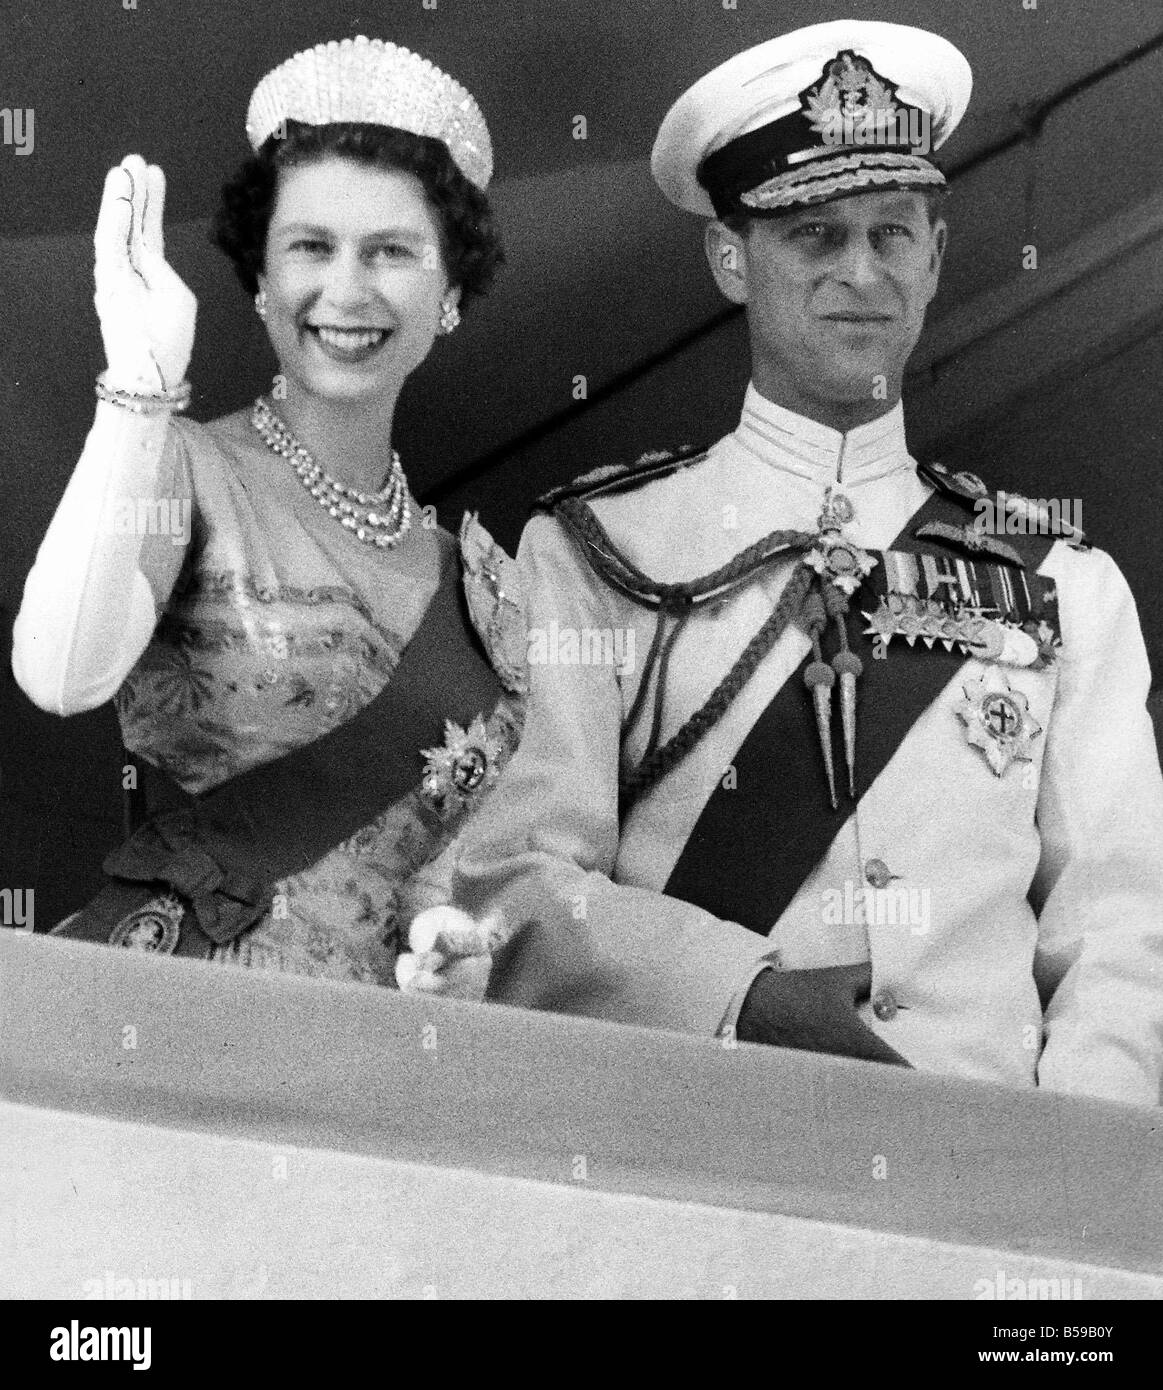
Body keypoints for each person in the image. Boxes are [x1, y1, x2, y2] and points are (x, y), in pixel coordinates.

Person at [416, 20, 1163, 1106]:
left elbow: (1120, 924)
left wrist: (1068, 1156)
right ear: (731, 259)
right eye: (814, 235)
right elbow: (515, 884)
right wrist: (742, 997)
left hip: (982, 1160)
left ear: (933, 256)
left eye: (890, 233)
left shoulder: (1062, 583)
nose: (860, 272)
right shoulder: (599, 552)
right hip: (698, 1137)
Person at [12, 36, 526, 985]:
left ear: (451, 288)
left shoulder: (488, 589)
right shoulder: (182, 465)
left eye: (392, 252)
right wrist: (136, 392)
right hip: (174, 999)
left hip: (370, 1046)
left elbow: (438, 873)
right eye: (310, 247)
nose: (347, 290)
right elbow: (60, 674)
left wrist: (451, 948)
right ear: (259, 278)